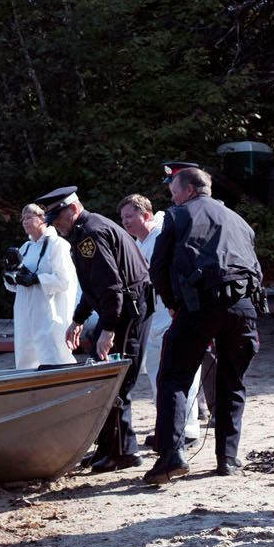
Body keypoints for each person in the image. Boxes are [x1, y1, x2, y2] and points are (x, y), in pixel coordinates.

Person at [143, 165, 262, 486]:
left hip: (198, 306)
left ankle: (170, 456)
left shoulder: (177, 216)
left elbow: (158, 267)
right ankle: (228, 458)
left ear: (190, 190)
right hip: (243, 308)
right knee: (232, 381)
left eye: (174, 189)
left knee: (174, 377)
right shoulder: (239, 220)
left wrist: (171, 302)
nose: (171, 195)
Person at [38, 186, 152, 472]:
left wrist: (109, 329)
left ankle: (123, 451)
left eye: (57, 218)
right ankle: (110, 447)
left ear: (73, 210)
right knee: (108, 379)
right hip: (120, 308)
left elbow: (111, 285)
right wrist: (78, 320)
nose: (56, 226)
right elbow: (92, 286)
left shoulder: (90, 234)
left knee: (115, 380)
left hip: (125, 311)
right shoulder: (84, 231)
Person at [120, 192, 200, 448]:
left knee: (179, 373)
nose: (125, 222)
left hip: (171, 315)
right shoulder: (138, 243)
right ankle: (168, 426)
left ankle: (186, 430)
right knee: (158, 375)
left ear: (145, 215)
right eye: (122, 218)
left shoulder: (162, 237)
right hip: (152, 319)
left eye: (130, 216)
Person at [5, 203, 78, 370]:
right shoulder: (25, 248)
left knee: (53, 355)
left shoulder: (58, 245)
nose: (25, 221)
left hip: (49, 315)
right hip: (26, 313)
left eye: (29, 217)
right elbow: (15, 286)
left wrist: (37, 279)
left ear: (42, 219)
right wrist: (11, 277)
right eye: (23, 218)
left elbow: (65, 280)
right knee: (27, 357)